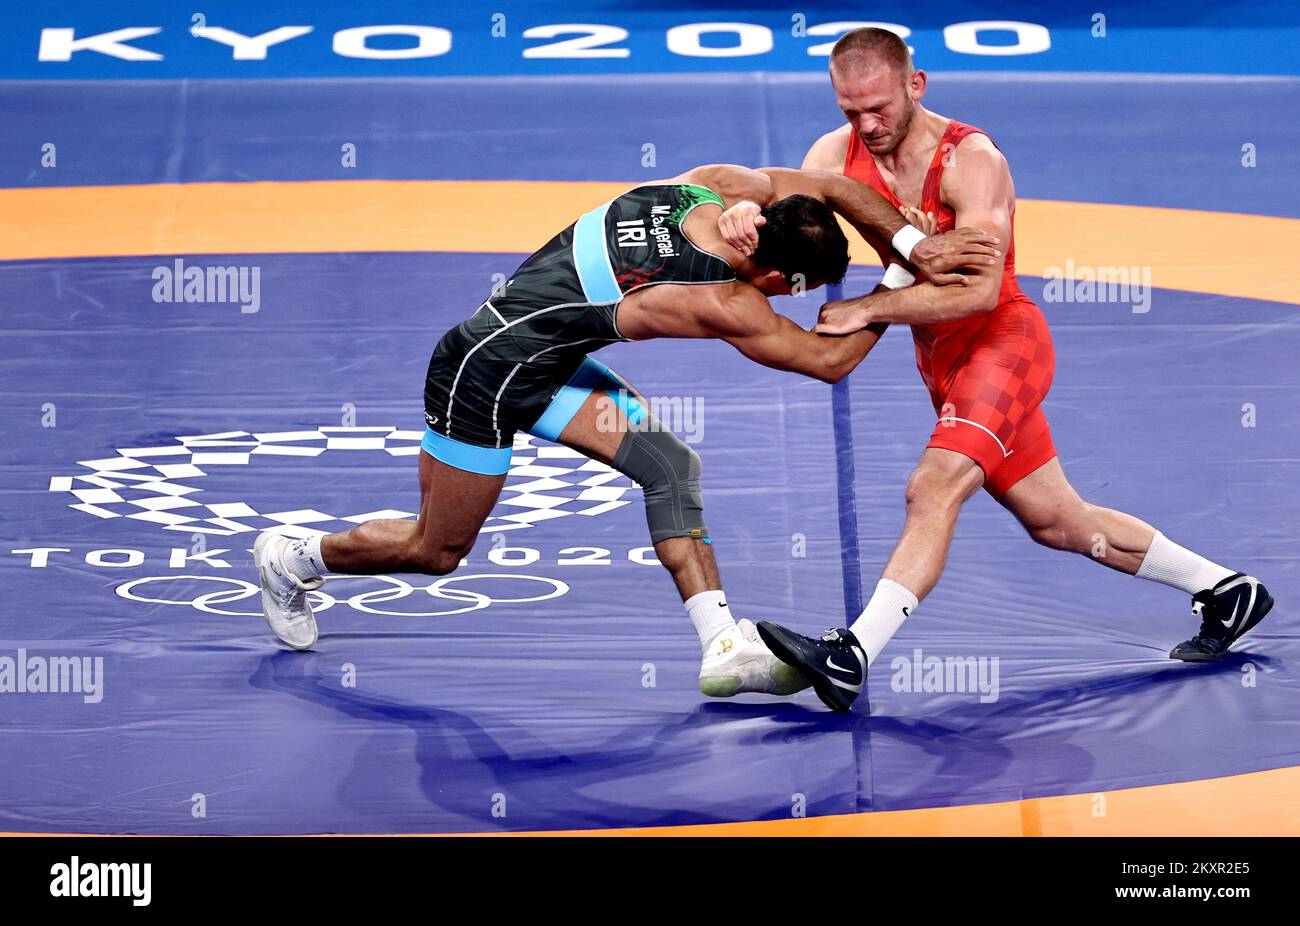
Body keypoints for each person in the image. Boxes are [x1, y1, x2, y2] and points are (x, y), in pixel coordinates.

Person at [253, 162, 1000, 701]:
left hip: (549, 363)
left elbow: (830, 190)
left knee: (670, 467)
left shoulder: (713, 186)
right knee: (437, 550)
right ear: (776, 280)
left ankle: (723, 648)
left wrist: (910, 248)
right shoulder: (722, 299)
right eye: (793, 292)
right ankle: (293, 557)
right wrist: (887, 299)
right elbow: (828, 362)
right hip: (482, 374)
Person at [719, 28, 1273, 712]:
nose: (867, 126)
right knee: (1058, 521)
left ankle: (852, 653)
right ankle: (1227, 591)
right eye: (850, 111)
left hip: (1004, 343)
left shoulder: (972, 161)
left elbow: (977, 289)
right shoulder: (836, 154)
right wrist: (742, 211)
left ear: (915, 86)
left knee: (933, 486)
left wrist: (872, 306)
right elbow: (770, 194)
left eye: (880, 109)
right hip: (943, 361)